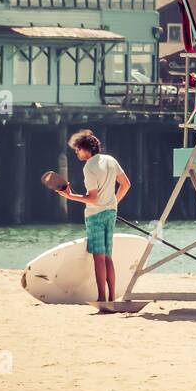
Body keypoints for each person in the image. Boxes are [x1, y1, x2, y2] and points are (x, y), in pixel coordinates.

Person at [58, 129, 131, 302]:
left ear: (86, 149)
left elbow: (92, 198)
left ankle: (101, 298)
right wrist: (113, 203)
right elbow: (126, 184)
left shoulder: (89, 167)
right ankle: (112, 297)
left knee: (99, 256)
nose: (76, 152)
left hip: (95, 216)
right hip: (111, 213)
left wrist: (69, 196)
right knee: (108, 257)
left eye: (77, 149)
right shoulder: (111, 160)